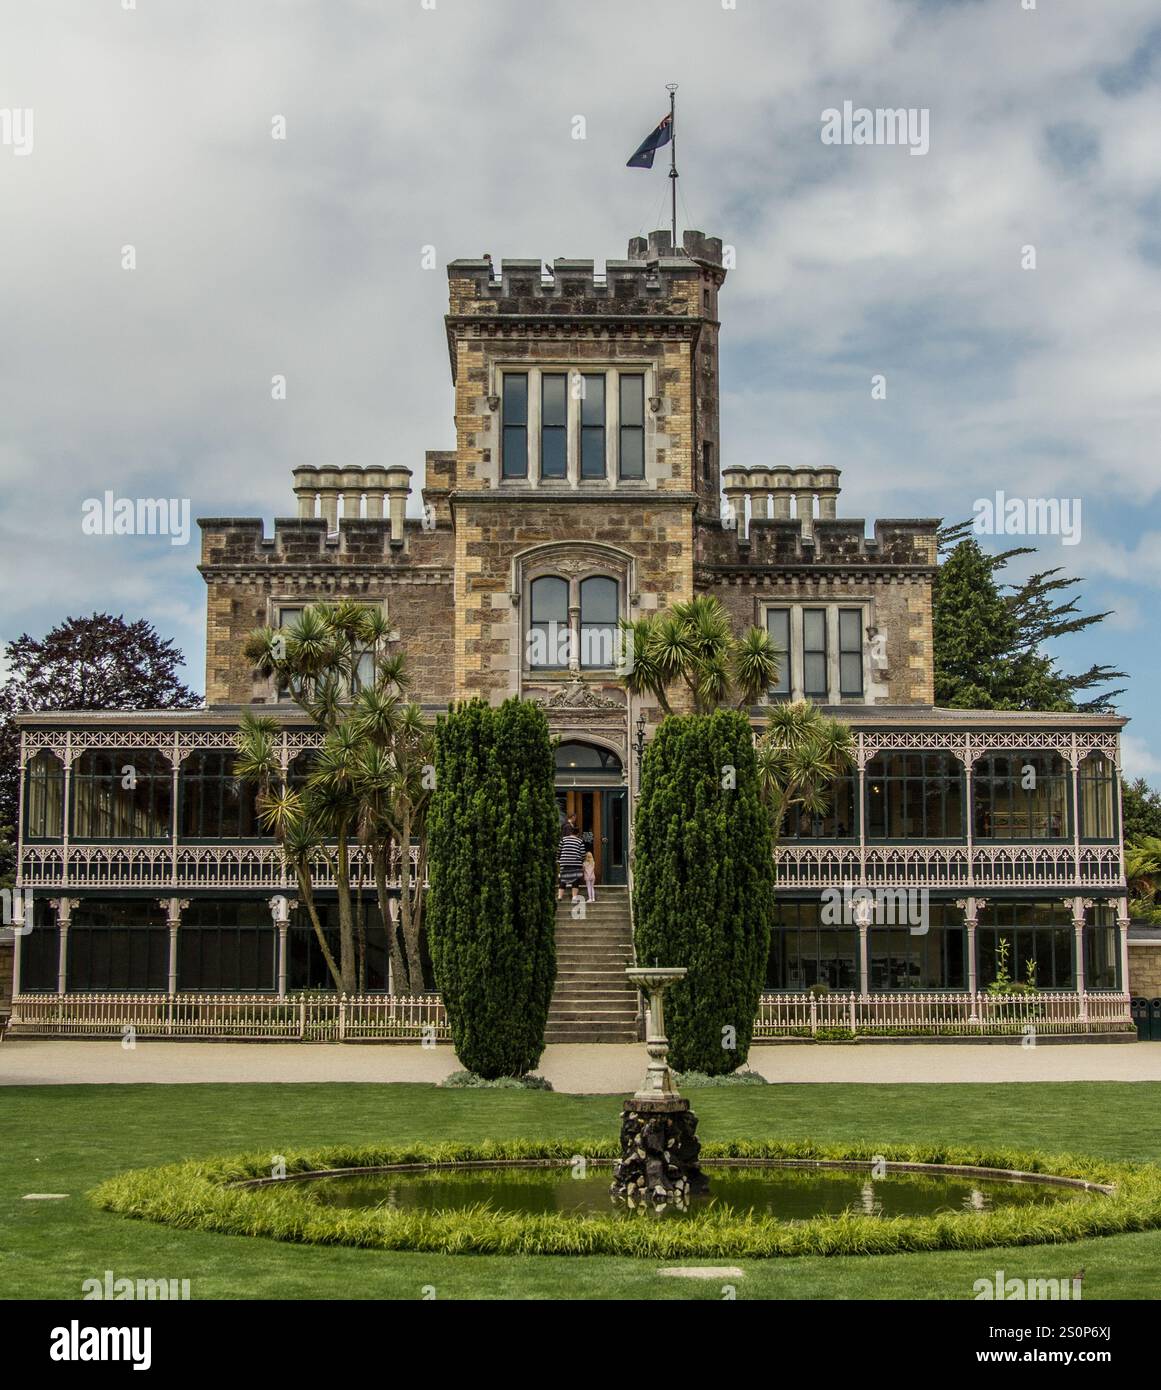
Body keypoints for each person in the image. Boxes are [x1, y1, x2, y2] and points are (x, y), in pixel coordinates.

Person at [557, 818, 586, 902]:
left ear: (571, 832)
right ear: (577, 833)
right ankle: (574, 897)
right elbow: (583, 854)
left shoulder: (564, 839)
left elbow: (559, 850)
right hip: (575, 863)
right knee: (575, 880)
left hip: (565, 862)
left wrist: (558, 859)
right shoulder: (579, 841)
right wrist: (582, 861)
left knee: (563, 879)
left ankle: (560, 896)